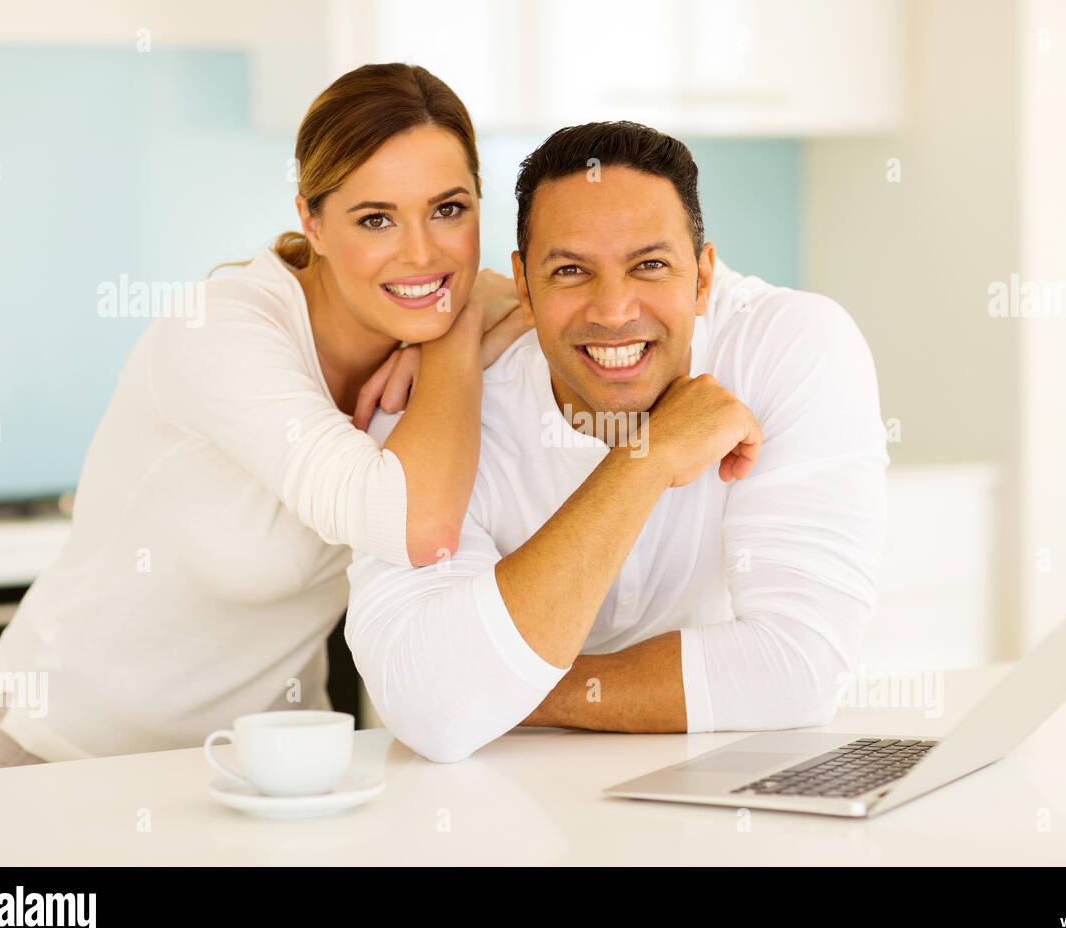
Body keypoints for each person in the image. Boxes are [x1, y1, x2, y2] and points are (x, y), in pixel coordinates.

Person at [0, 63, 528, 768]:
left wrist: (463, 318)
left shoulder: (425, 320)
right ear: (312, 222)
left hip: (273, 764)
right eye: (376, 218)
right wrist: (458, 328)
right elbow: (417, 524)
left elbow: (546, 300)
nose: (422, 252)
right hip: (73, 752)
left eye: (448, 209)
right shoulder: (221, 331)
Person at [344, 121, 890, 763]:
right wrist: (647, 459)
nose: (612, 309)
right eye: (571, 270)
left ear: (703, 276)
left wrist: (501, 686)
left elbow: (799, 670)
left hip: (704, 783)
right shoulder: (431, 414)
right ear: (522, 286)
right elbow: (432, 710)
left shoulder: (792, 346)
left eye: (650, 265)